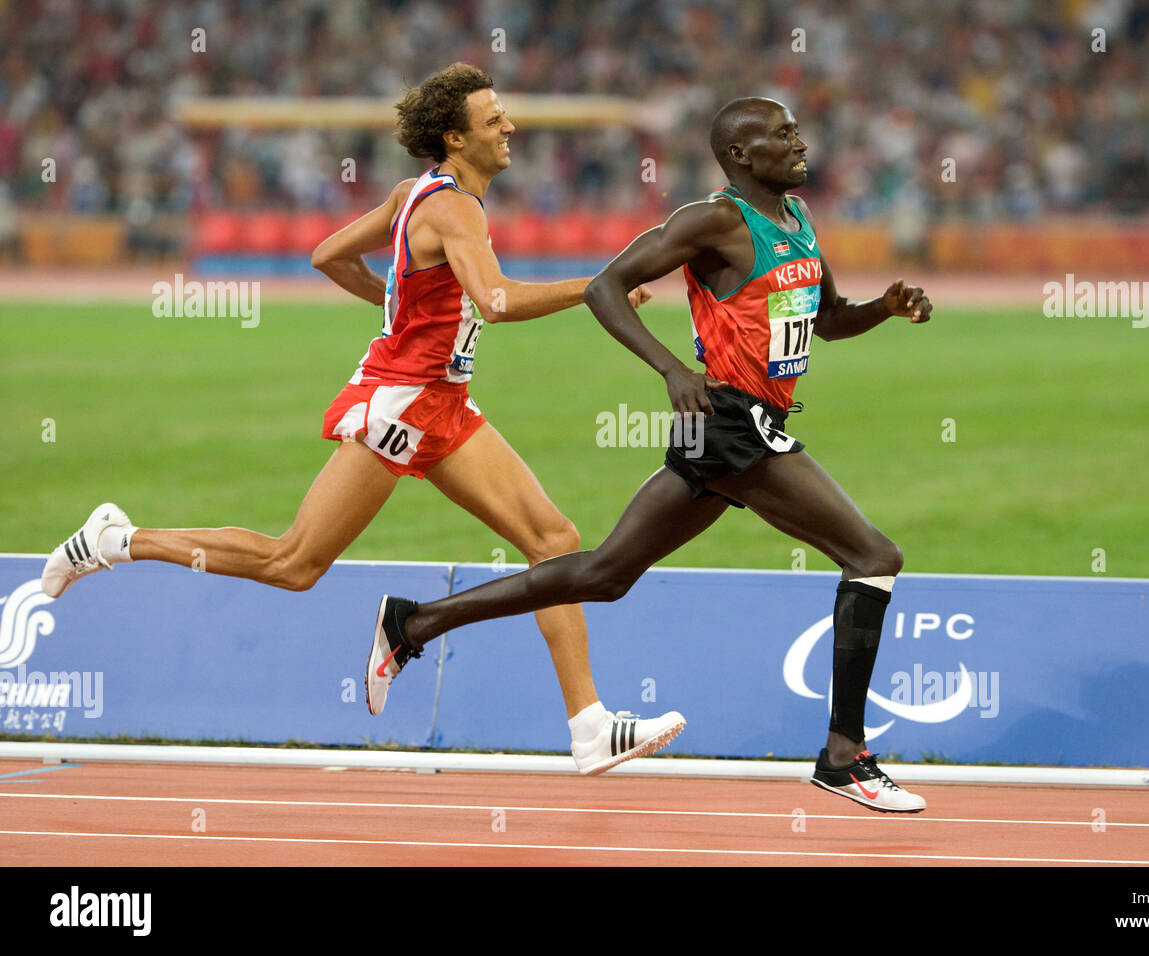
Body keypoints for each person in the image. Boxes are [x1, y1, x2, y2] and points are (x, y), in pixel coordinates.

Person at [39, 63, 685, 776]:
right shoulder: (451, 208)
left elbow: (327, 256)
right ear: (454, 137)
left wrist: (399, 309)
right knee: (295, 563)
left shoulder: (416, 195)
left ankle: (590, 727)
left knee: (554, 538)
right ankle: (117, 538)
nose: (510, 127)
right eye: (493, 118)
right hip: (400, 407)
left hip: (442, 403)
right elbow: (496, 302)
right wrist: (596, 288)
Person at [368, 96, 934, 812]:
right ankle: (843, 756)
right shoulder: (714, 221)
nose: (799, 142)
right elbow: (606, 285)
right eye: (780, 135)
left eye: (796, 131)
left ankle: (414, 623)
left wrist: (882, 308)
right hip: (729, 422)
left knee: (605, 574)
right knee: (874, 557)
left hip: (735, 426)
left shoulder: (797, 221)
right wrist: (670, 369)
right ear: (741, 157)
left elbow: (824, 322)